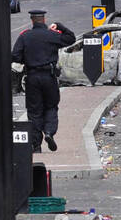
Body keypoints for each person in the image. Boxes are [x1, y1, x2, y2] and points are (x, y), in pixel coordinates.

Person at [12, 11, 76, 152]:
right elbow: (71, 38)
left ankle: (36, 145)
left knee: (34, 111)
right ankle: (49, 132)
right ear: (44, 19)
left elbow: (15, 55)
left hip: (32, 77)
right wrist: (60, 26)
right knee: (51, 106)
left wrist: (27, 60)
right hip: (49, 76)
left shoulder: (25, 36)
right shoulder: (52, 35)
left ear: (32, 21)